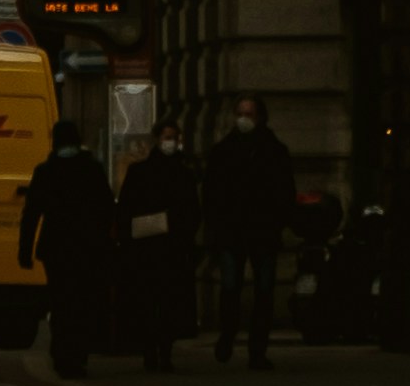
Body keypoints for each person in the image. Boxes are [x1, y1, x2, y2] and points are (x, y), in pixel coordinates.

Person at [17, 124, 125, 380]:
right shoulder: (91, 169)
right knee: (83, 302)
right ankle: (76, 354)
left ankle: (62, 351)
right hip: (87, 248)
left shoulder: (46, 171)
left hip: (56, 250)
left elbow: (31, 214)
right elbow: (107, 208)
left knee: (61, 301)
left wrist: (25, 250)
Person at [204, 95, 300, 366]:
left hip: (262, 231)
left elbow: (285, 191)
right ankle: (228, 334)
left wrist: (278, 220)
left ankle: (258, 349)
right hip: (231, 231)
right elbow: (212, 191)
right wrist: (216, 224)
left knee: (265, 290)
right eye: (240, 113)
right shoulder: (224, 151)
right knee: (230, 286)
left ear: (260, 117)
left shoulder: (273, 150)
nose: (243, 119)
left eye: (249, 113)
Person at [110, 122, 195, 365]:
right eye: (168, 137)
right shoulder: (151, 172)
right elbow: (127, 208)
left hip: (161, 246)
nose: (171, 142)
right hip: (154, 246)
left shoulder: (179, 173)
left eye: (174, 137)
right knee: (153, 298)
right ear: (157, 139)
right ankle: (154, 347)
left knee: (163, 298)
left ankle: (160, 347)